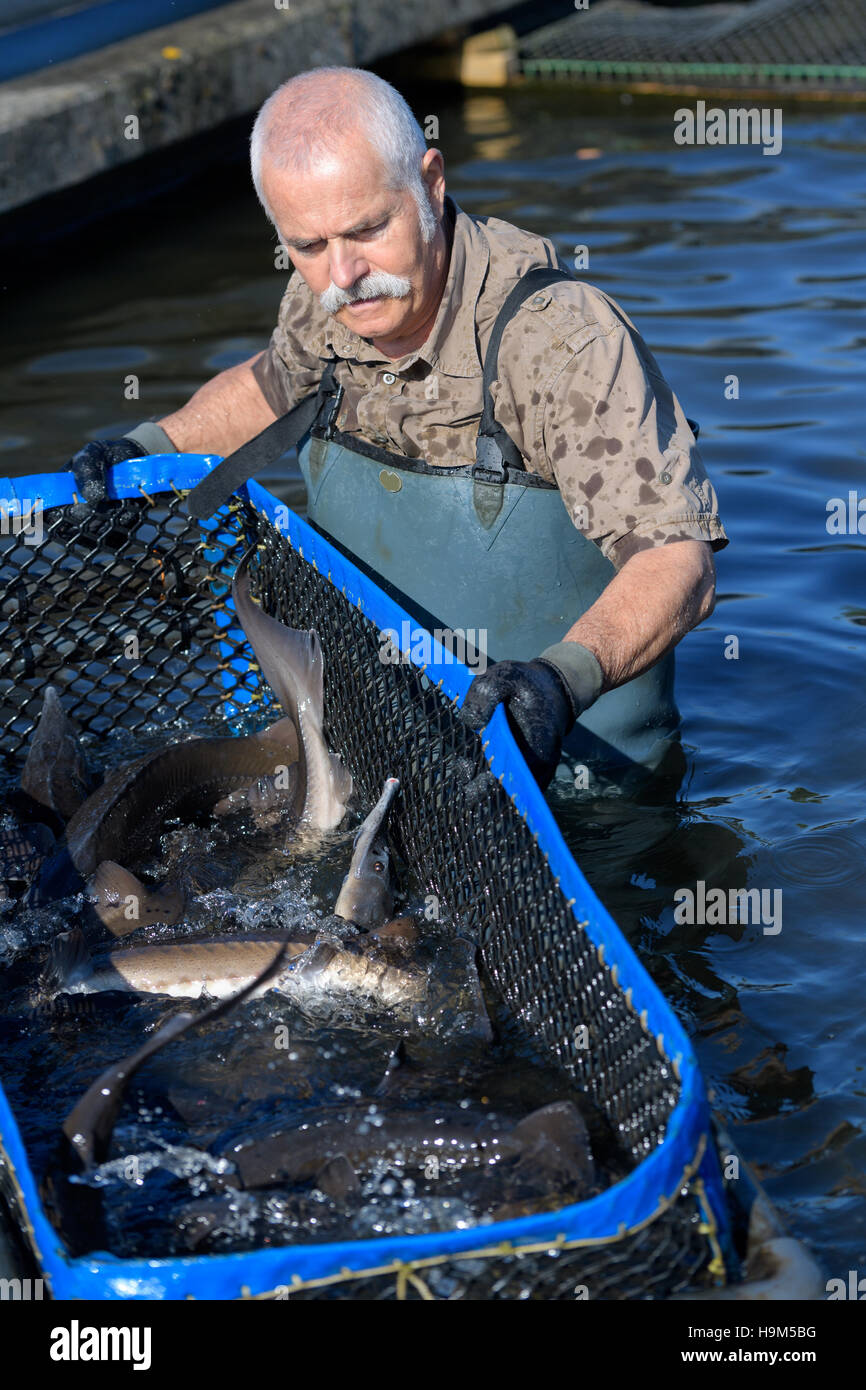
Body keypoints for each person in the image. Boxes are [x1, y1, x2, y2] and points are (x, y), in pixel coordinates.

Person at [68, 66, 727, 789]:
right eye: (309, 245)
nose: (344, 275)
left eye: (368, 229)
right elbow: (267, 388)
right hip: (384, 743)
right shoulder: (323, 301)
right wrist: (145, 450)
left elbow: (677, 563)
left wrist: (557, 683)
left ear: (431, 181)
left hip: (575, 784)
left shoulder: (561, 342)